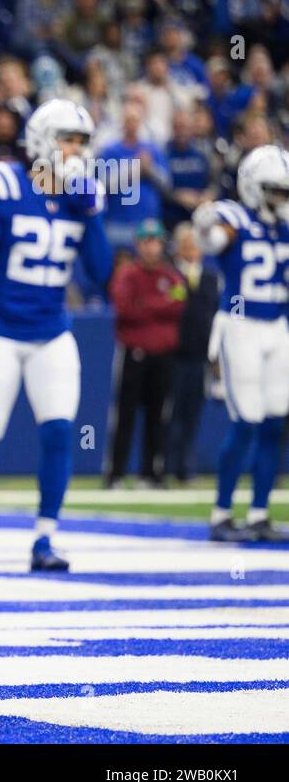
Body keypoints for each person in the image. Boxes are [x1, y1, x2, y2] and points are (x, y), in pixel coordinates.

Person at [0, 99, 113, 571]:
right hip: (0, 329)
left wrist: (92, 212)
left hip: (52, 329)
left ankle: (45, 539)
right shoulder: (6, 186)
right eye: (68, 139)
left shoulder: (84, 197)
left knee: (60, 430)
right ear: (42, 141)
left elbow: (100, 273)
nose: (76, 150)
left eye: (82, 141)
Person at [191, 146, 289, 542]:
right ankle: (221, 513)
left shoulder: (283, 225)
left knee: (274, 423)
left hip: (278, 326)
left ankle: (260, 512)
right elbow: (213, 240)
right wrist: (202, 228)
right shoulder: (235, 217)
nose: (279, 198)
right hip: (241, 325)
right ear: (252, 185)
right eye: (273, 189)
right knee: (246, 420)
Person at [105, 219, 187, 488]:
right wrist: (158, 306)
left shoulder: (172, 275)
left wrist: (147, 305)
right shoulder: (128, 273)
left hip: (163, 355)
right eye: (148, 242)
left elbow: (178, 304)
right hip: (134, 352)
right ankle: (115, 474)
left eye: (157, 242)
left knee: (158, 415)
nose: (152, 247)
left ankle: (151, 474)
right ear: (139, 244)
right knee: (125, 415)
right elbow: (125, 309)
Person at [165, 223, 220, 484]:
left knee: (192, 414)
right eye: (186, 245)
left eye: (194, 245)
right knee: (172, 414)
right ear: (177, 248)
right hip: (174, 355)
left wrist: (216, 354)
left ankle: (185, 468)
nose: (190, 250)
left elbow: (216, 317)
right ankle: (166, 466)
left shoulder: (210, 278)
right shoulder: (169, 276)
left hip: (200, 356)